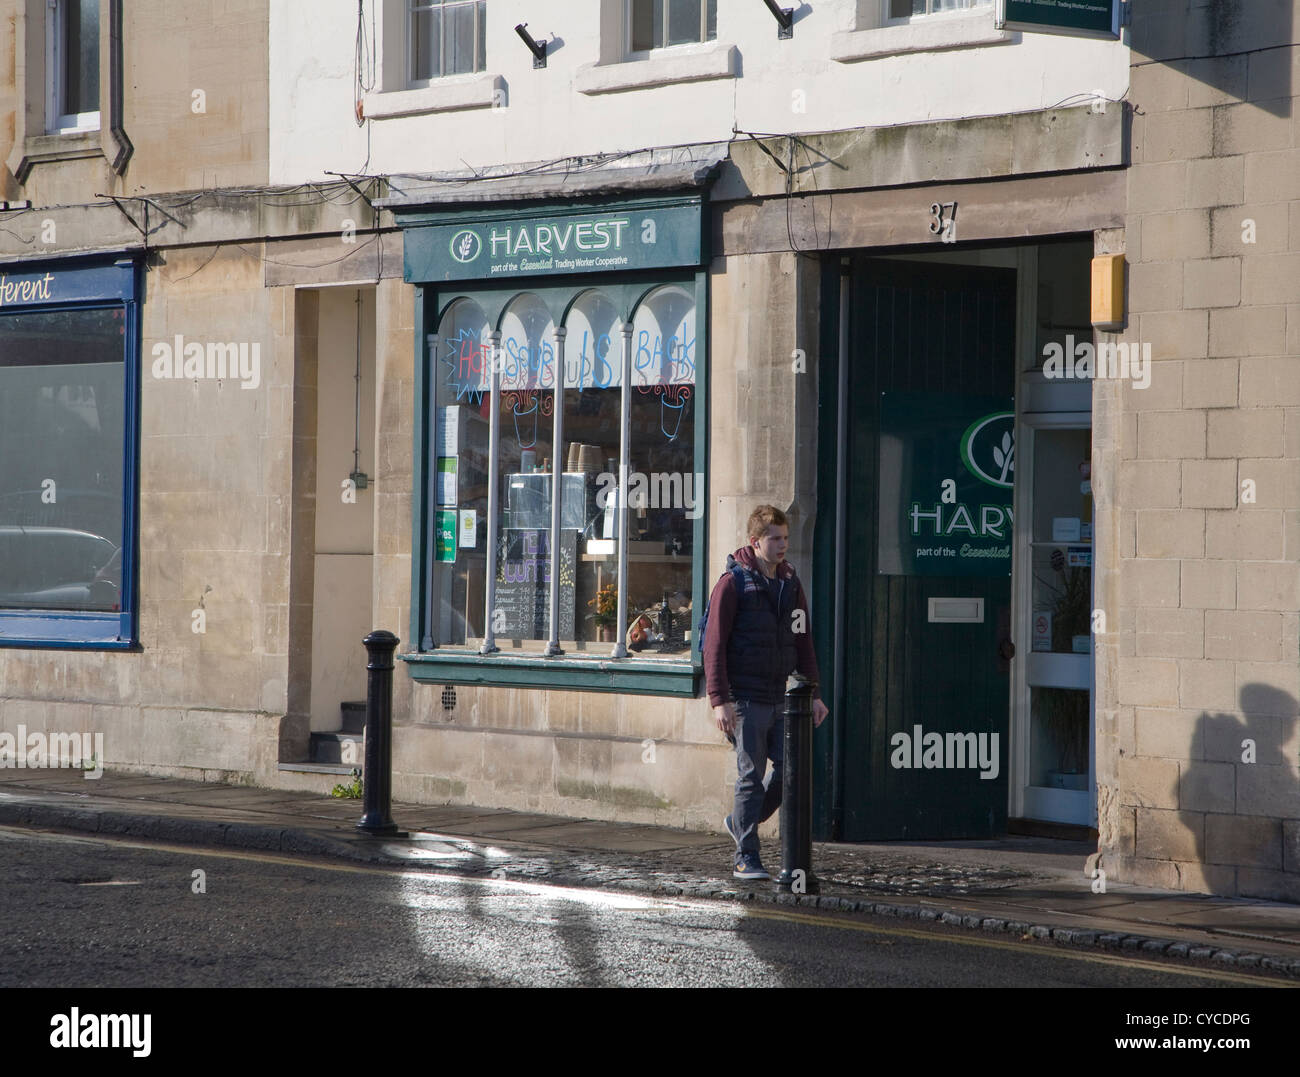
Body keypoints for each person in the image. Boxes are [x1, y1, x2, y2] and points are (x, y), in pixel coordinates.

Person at [704, 505, 828, 880]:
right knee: (749, 775)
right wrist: (718, 701)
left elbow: (803, 640)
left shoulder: (790, 582)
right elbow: (714, 645)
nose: (782, 545)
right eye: (775, 538)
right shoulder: (733, 583)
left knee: (791, 770)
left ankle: (743, 820)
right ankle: (746, 856)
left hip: (780, 696)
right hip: (743, 698)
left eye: (786, 538)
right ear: (755, 541)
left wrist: (815, 692)